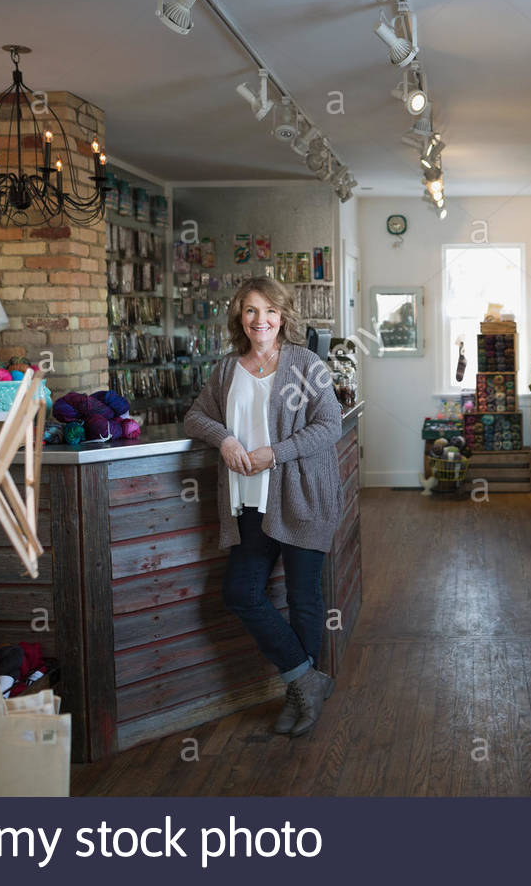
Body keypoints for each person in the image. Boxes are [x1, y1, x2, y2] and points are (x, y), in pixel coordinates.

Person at [184, 277, 343, 737]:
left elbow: (329, 425)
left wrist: (276, 453)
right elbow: (196, 415)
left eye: (270, 311)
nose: (261, 320)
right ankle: (306, 680)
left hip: (301, 496)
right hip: (248, 503)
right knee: (242, 593)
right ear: (240, 316)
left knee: (302, 597)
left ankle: (300, 696)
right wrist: (224, 437)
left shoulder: (306, 363)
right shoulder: (228, 369)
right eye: (251, 311)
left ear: (283, 316)